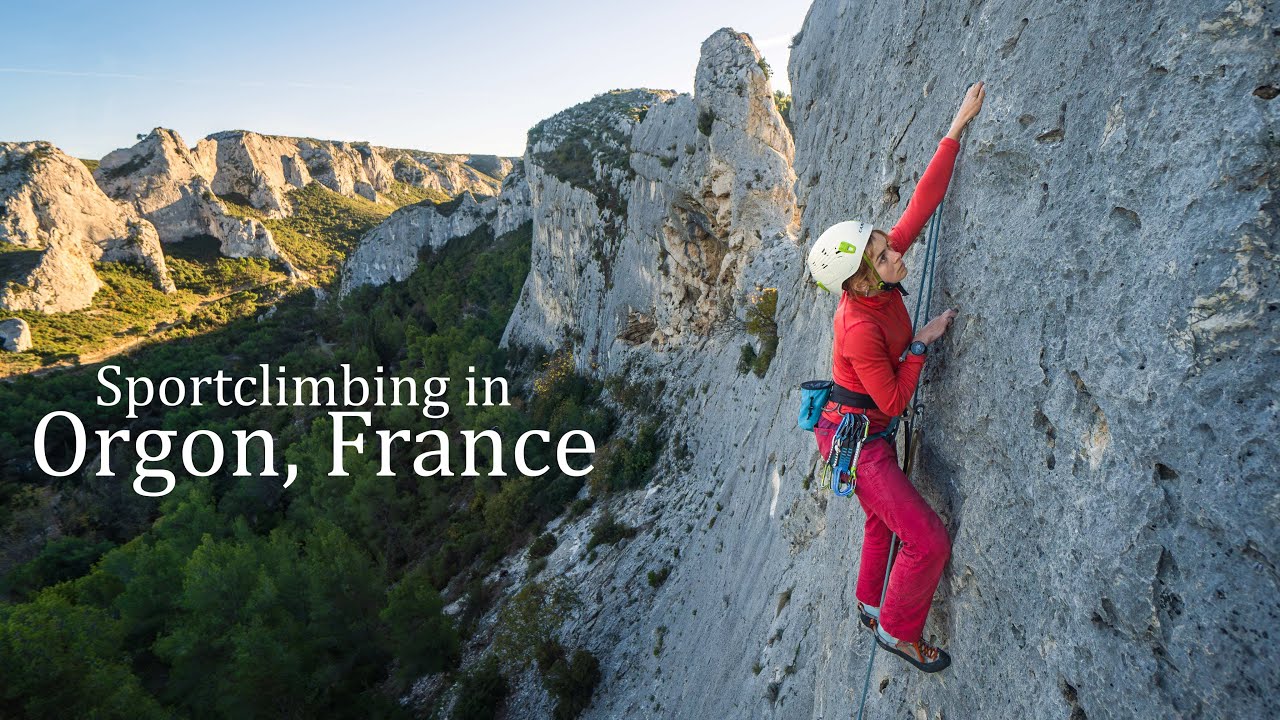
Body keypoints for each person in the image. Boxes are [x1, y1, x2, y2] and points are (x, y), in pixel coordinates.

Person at [805, 82, 985, 673]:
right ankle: (895, 630)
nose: (897, 253)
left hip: (858, 427)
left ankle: (865, 602)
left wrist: (955, 128)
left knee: (882, 518)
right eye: (885, 256)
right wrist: (919, 343)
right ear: (859, 281)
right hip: (858, 440)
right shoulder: (857, 326)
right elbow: (896, 399)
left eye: (886, 246)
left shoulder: (876, 271)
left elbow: (921, 207)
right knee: (927, 539)